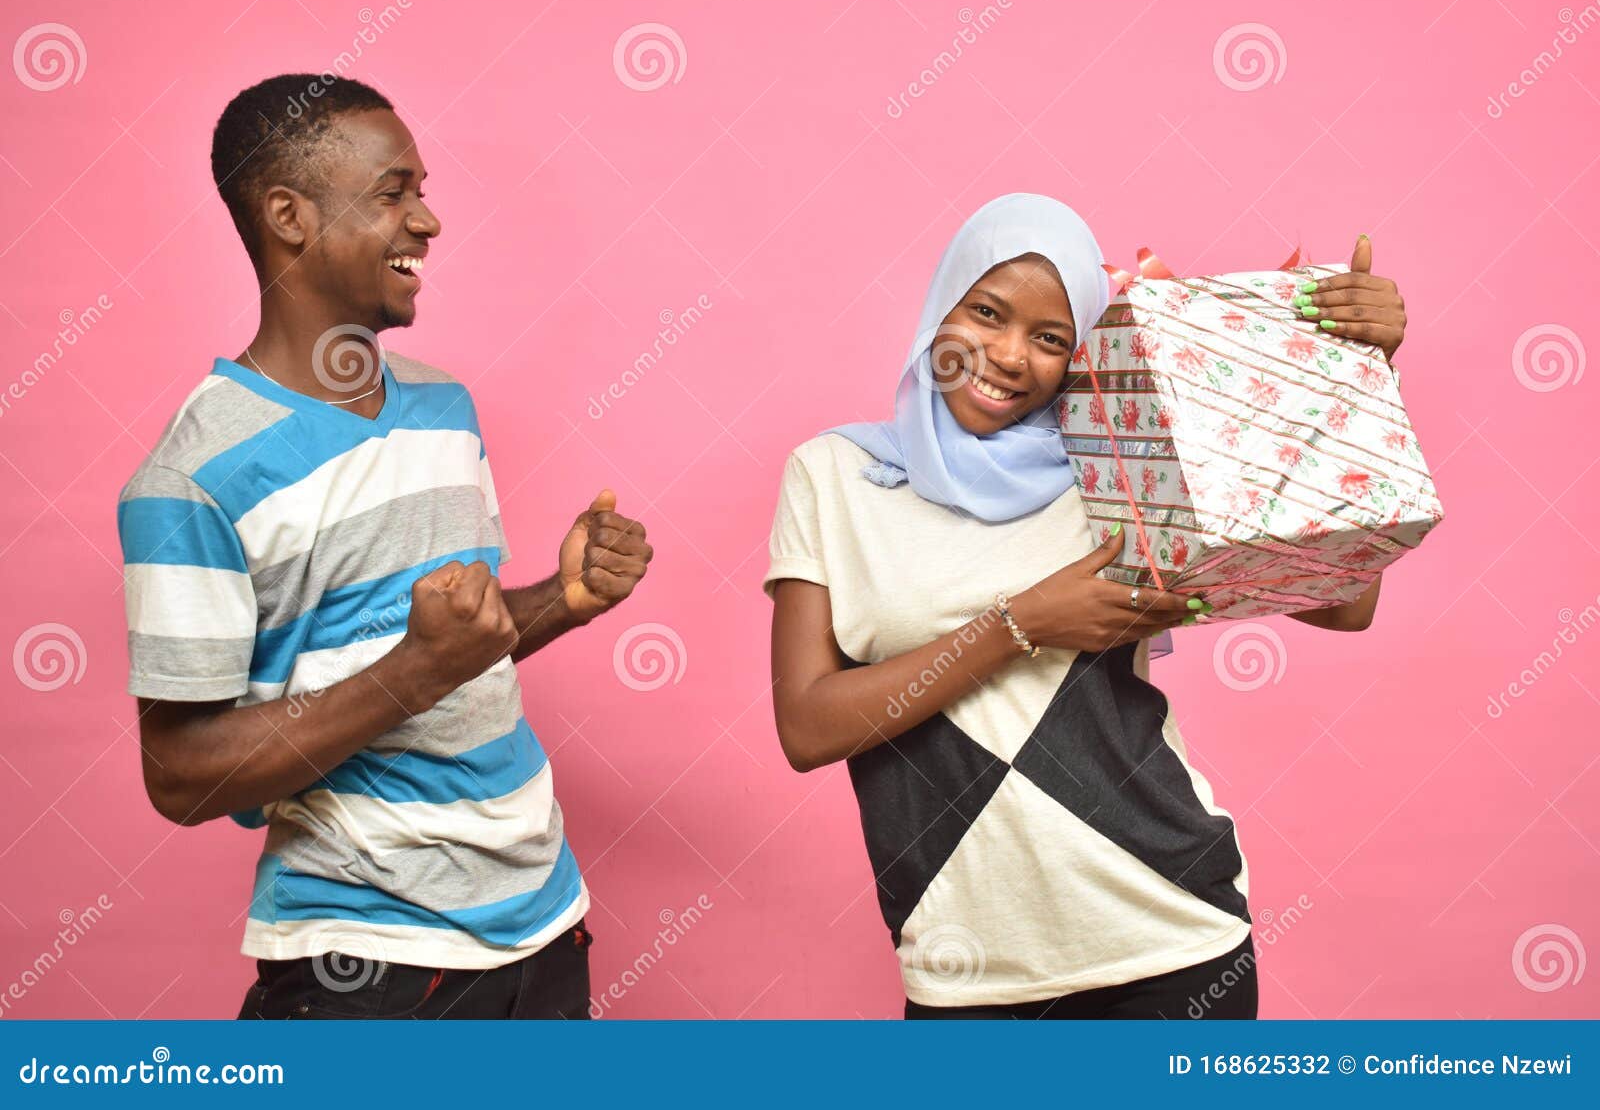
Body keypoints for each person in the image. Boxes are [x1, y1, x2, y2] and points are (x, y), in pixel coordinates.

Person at [764, 193, 1406, 1018]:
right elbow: (808, 727)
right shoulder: (833, 476)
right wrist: (1021, 624)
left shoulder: (1119, 468)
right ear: (940, 306)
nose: (1006, 355)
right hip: (969, 966)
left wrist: (1356, 376)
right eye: (986, 312)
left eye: (1050, 338)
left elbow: (1344, 600)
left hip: (1170, 937)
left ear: (1078, 358)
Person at [115, 74, 654, 1019]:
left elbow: (455, 652)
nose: (428, 220)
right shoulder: (192, 476)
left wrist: (557, 599)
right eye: (393, 193)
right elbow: (180, 774)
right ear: (289, 215)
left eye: (423, 190)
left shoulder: (445, 408)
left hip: (545, 924)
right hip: (366, 962)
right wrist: (413, 671)